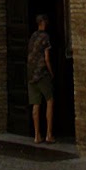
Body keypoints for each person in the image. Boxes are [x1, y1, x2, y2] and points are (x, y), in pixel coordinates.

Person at [26, 12, 54, 143]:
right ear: (43, 22)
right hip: (42, 73)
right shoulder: (45, 36)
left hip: (31, 74)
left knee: (35, 104)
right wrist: (51, 72)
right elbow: (47, 58)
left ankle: (37, 135)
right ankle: (49, 134)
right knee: (49, 100)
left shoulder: (32, 36)